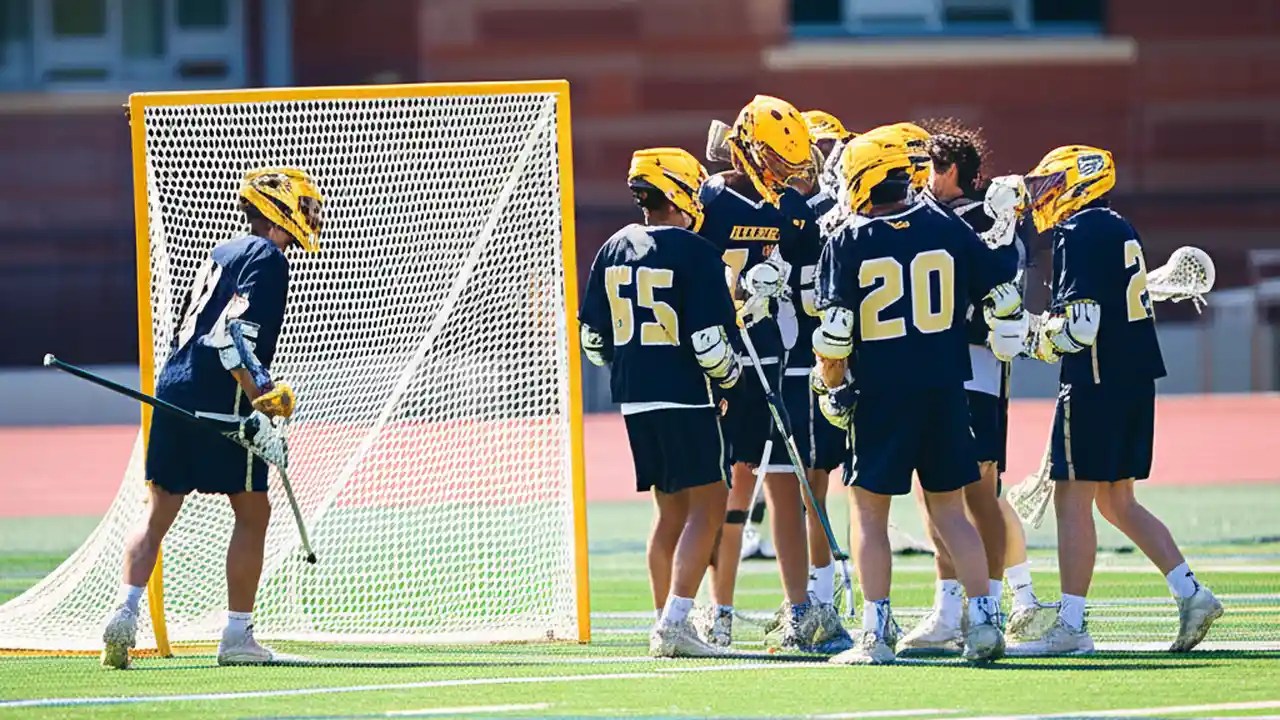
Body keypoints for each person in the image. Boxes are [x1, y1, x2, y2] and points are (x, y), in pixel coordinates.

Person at [812, 133, 1024, 665]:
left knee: (868, 515)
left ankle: (875, 634)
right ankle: (983, 623)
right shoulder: (942, 224)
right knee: (952, 512)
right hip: (945, 386)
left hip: (881, 392)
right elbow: (999, 288)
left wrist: (832, 386)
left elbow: (835, 335)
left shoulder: (848, 238)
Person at [100, 168, 323, 669]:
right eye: (303, 208)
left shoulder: (220, 253)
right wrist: (261, 398)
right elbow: (231, 337)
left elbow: (198, 331)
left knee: (157, 514)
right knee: (253, 511)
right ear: (278, 211)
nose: (311, 219)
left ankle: (124, 610)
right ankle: (237, 636)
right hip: (221, 396)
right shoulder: (268, 256)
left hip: (173, 388)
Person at [1008, 145, 1223, 655]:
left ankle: (1073, 626)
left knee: (1073, 499)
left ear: (1078, 184)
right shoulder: (1119, 227)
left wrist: (1029, 338)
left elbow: (1081, 325)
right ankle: (1192, 593)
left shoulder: (1078, 232)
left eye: (1052, 183)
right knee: (1117, 501)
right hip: (1134, 376)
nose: (1044, 195)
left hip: (1095, 379)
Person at [578, 147, 741, 658]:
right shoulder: (695, 252)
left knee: (670, 511)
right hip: (685, 393)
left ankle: (664, 621)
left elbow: (594, 341)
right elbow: (709, 345)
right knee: (711, 504)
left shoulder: (613, 246)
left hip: (633, 395)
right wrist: (733, 383)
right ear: (677, 193)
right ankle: (675, 622)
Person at [898, 120, 1046, 654]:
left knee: (978, 491)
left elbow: (1001, 278)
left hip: (977, 362)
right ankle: (950, 608)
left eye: (932, 168)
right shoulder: (931, 218)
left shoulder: (986, 215)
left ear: (954, 169)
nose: (924, 180)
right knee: (934, 489)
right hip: (936, 363)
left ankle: (1014, 598)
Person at [696, 95, 824, 652]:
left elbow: (813, 283)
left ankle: (798, 610)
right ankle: (716, 610)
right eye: (774, 160)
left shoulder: (793, 211)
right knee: (729, 491)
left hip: (777, 356)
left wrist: (787, 278)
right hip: (723, 360)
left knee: (783, 487)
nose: (784, 174)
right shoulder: (708, 201)